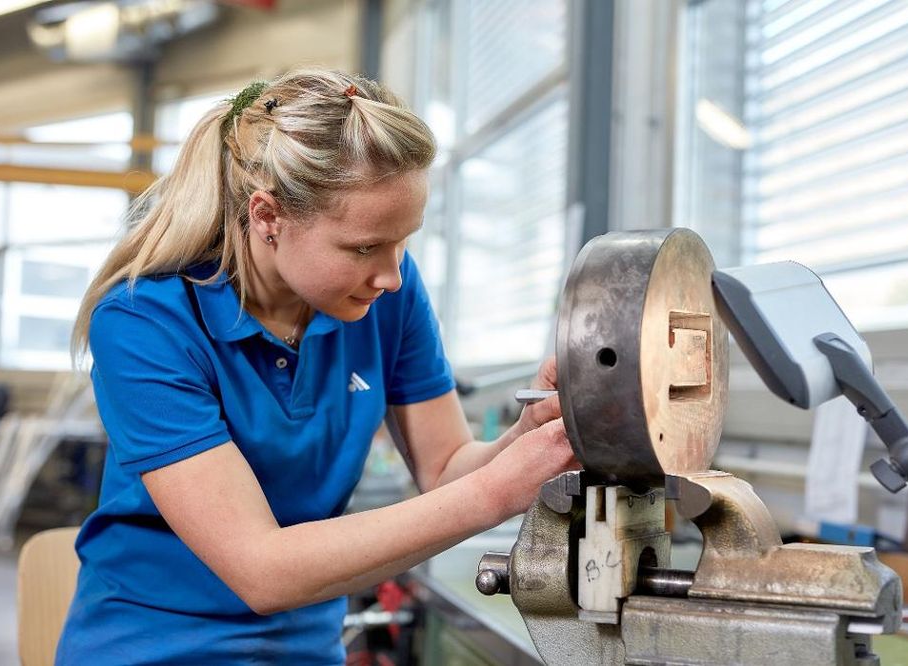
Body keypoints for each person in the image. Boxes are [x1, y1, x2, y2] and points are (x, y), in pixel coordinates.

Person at [56, 69, 578, 664]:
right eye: (362, 248)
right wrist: (495, 493)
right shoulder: (145, 323)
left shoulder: (387, 297)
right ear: (268, 216)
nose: (392, 274)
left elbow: (446, 468)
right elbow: (263, 571)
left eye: (402, 241)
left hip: (306, 650)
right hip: (156, 649)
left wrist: (525, 439)